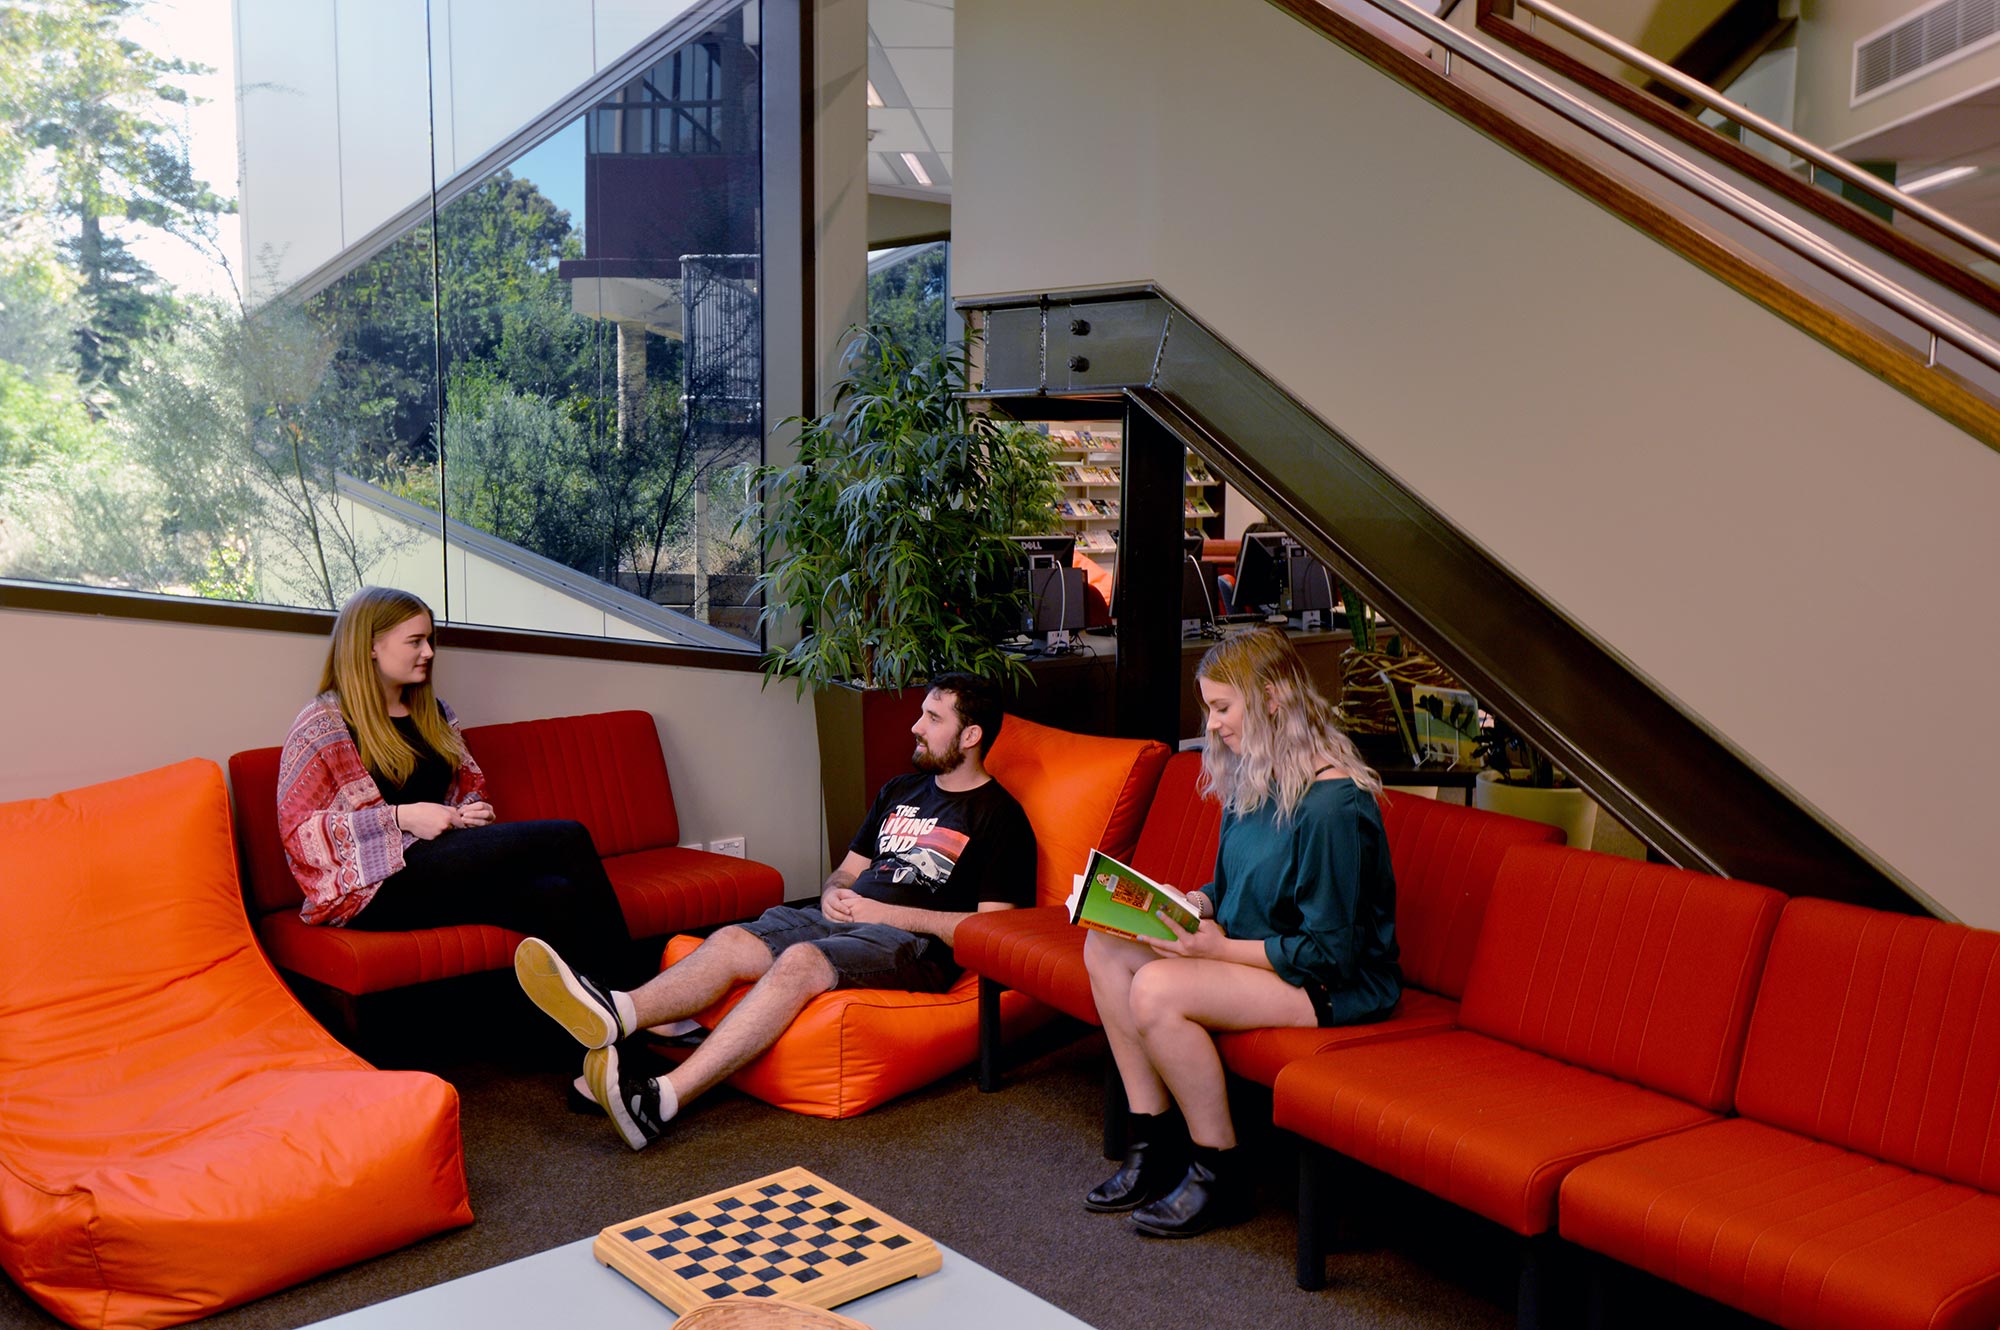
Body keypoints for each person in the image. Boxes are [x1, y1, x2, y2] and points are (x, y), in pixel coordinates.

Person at [514, 671, 1037, 1150]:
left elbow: (990, 930)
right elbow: (847, 870)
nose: (915, 725)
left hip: (909, 946)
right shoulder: (900, 789)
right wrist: (834, 890)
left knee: (802, 960)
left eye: (933, 718)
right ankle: (618, 1012)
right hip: (844, 916)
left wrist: (892, 916)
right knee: (732, 940)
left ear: (971, 737)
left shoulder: (1000, 818)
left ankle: (664, 1097)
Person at [1083, 627, 1399, 1238]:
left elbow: (1328, 954)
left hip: (1331, 984)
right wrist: (1196, 901)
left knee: (1157, 990)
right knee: (1104, 943)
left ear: (1274, 696)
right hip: (1254, 957)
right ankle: (1152, 1142)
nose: (1214, 725)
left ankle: (1219, 1170)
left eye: (1223, 707)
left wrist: (1215, 947)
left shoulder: (1332, 805)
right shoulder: (1256, 779)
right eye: (1210, 708)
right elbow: (1231, 887)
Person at [276, 586, 634, 988]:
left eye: (430, 640)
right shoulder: (323, 722)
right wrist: (402, 817)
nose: (428, 652)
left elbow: (468, 789)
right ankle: (647, 1001)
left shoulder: (437, 713)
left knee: (556, 894)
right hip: (371, 890)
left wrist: (473, 811)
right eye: (415, 641)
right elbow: (299, 833)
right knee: (567, 837)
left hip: (436, 868)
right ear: (371, 646)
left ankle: (604, 1018)